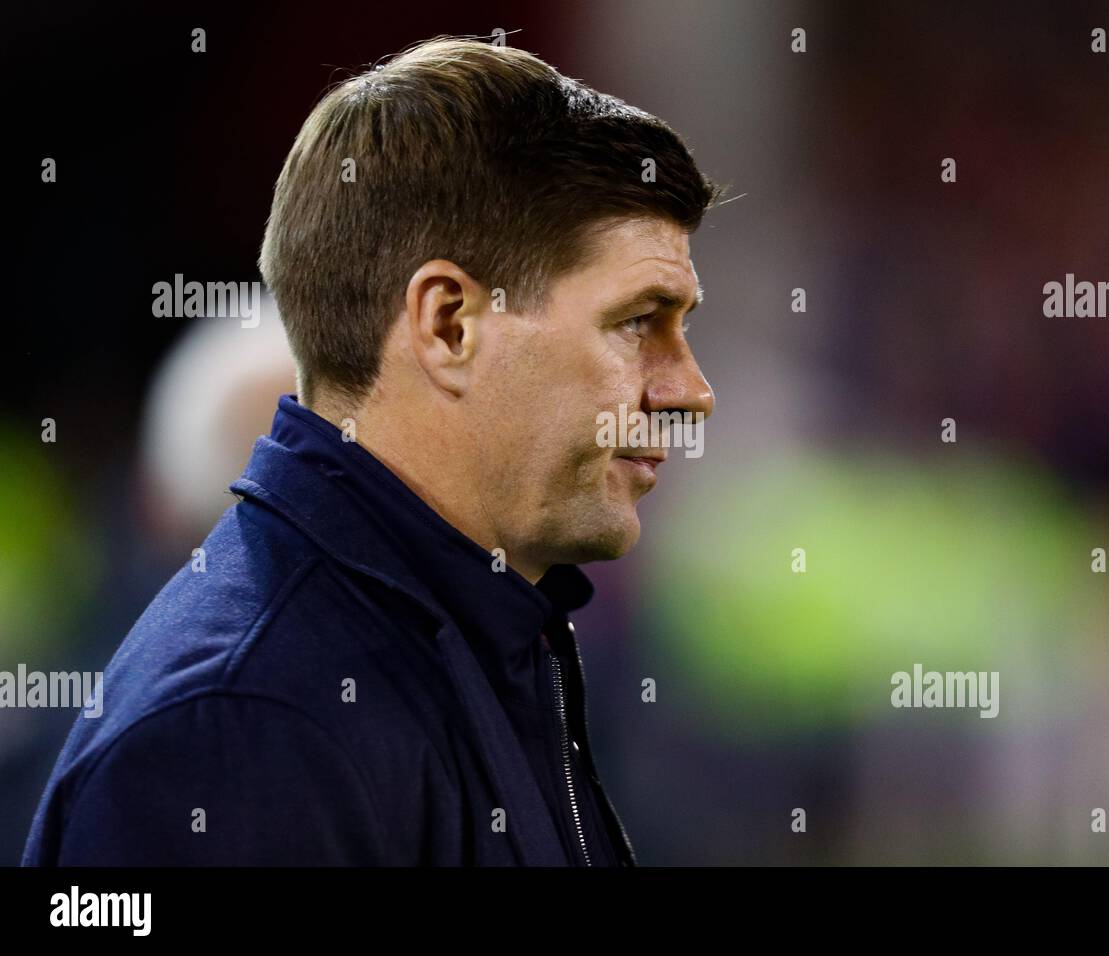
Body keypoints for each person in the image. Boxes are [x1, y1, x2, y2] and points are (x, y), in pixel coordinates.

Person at [22, 36, 718, 866]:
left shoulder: (482, 634)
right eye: (639, 322)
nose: (689, 392)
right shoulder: (241, 727)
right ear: (448, 325)